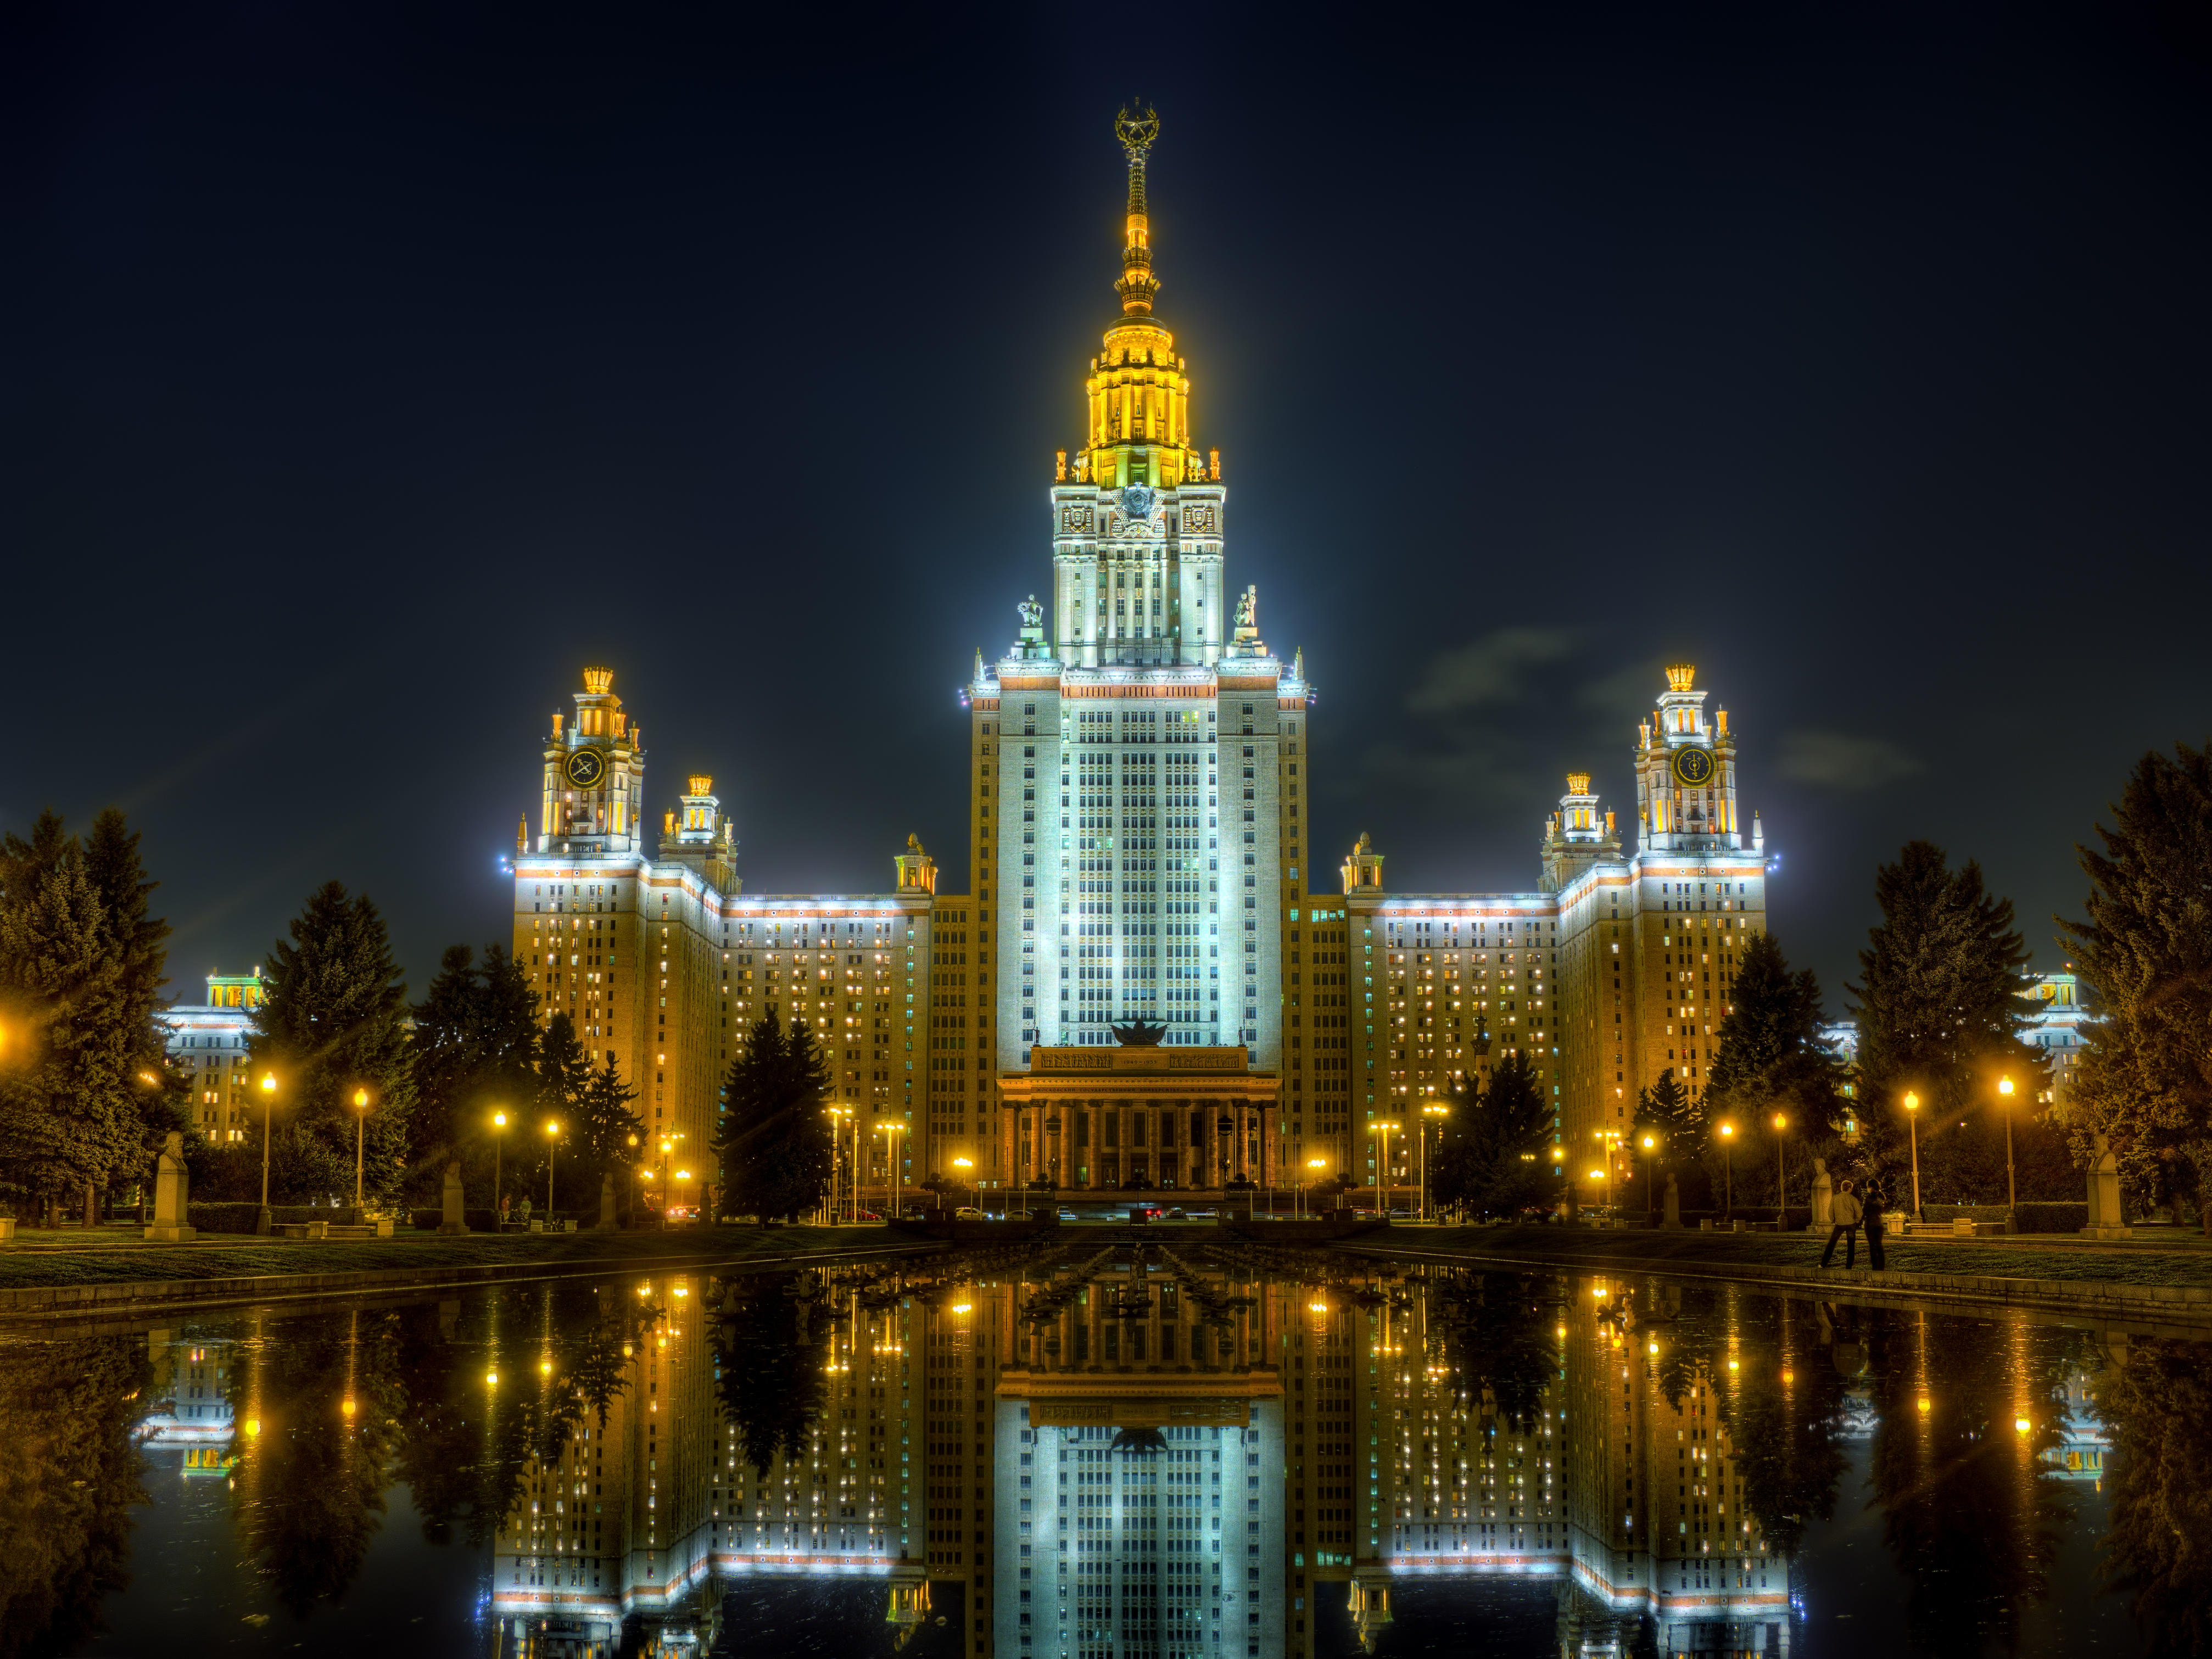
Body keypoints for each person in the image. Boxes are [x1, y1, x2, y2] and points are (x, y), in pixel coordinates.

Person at [1820, 1178, 1864, 1268]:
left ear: (1842, 1188)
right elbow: (1859, 1212)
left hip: (1839, 1224)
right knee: (1851, 1245)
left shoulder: (1835, 1198)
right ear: (1850, 1188)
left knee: (1832, 1243)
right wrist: (1857, 1220)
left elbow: (1830, 1211)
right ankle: (1849, 1266)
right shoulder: (1852, 1199)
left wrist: (1833, 1219)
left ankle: (1824, 1263)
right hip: (1851, 1224)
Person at [1862, 1175, 1888, 1271]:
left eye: (1868, 1187)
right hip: (1879, 1223)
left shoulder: (1869, 1198)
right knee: (1879, 1245)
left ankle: (1875, 1267)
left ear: (1871, 1187)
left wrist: (1859, 1220)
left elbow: (1864, 1211)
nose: (1867, 1189)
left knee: (1872, 1246)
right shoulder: (1882, 1197)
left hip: (1871, 1224)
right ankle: (1881, 1266)